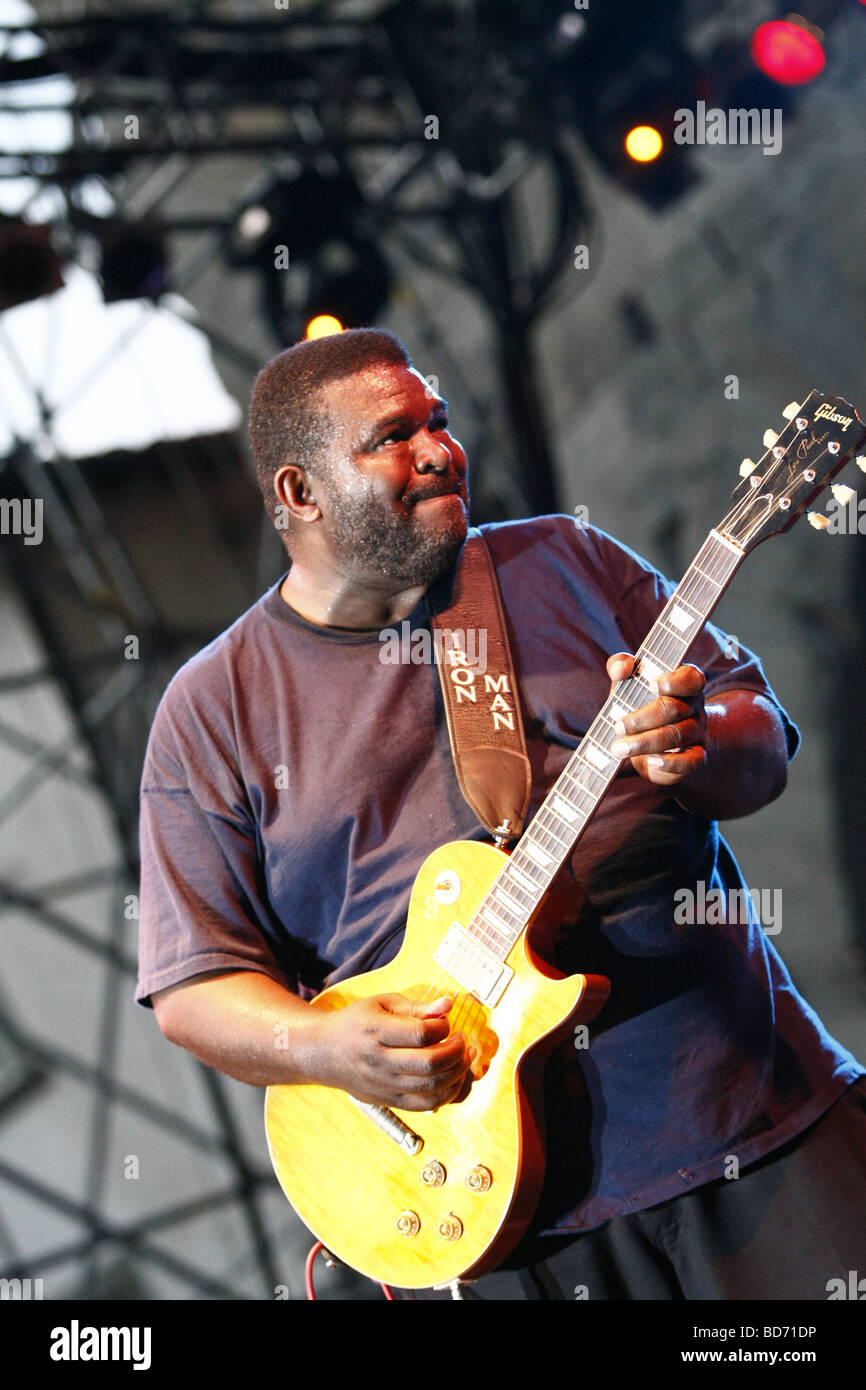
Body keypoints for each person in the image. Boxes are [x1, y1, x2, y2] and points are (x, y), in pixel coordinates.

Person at [137, 327, 866, 1300]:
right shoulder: (210, 709)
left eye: (437, 419)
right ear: (298, 495)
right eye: (392, 435)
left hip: (743, 1118)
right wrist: (327, 1047)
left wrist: (697, 737)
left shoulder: (561, 559)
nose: (438, 447)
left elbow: (759, 746)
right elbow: (195, 989)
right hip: (475, 1206)